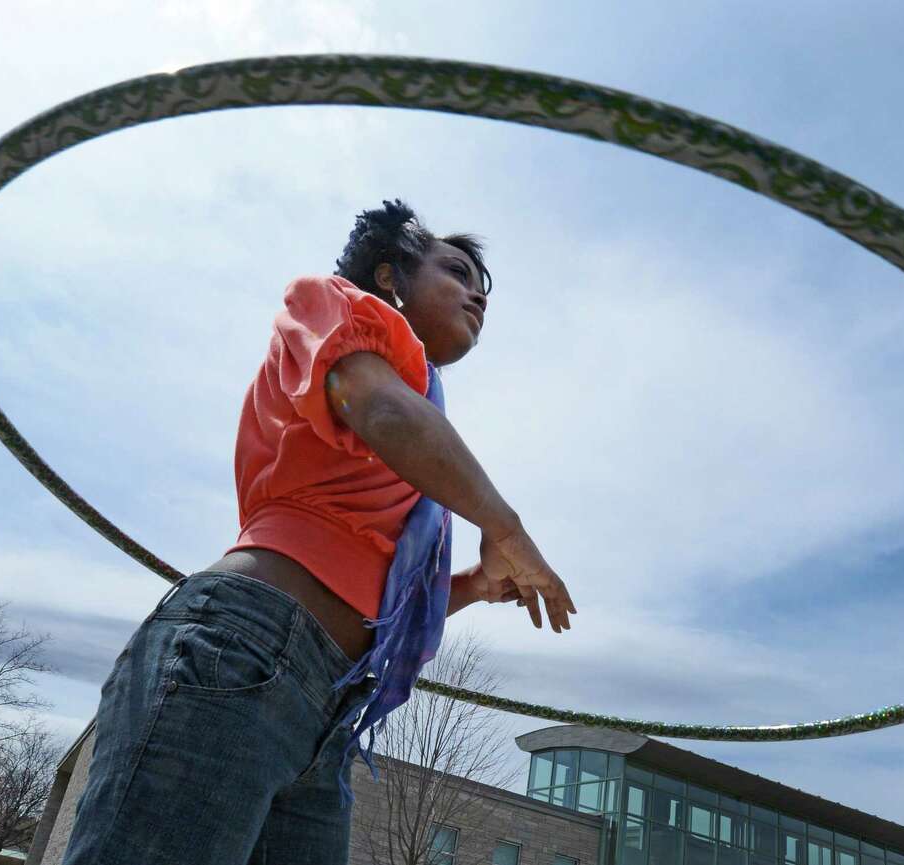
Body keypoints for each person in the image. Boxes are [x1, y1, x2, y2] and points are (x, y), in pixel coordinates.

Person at [62, 199, 577, 864]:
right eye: (458, 270)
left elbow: (381, 598)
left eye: (484, 288)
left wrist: (477, 583)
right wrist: (505, 525)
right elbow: (378, 408)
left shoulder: (424, 444)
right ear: (390, 274)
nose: (477, 294)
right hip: (240, 651)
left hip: (327, 714)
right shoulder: (333, 307)